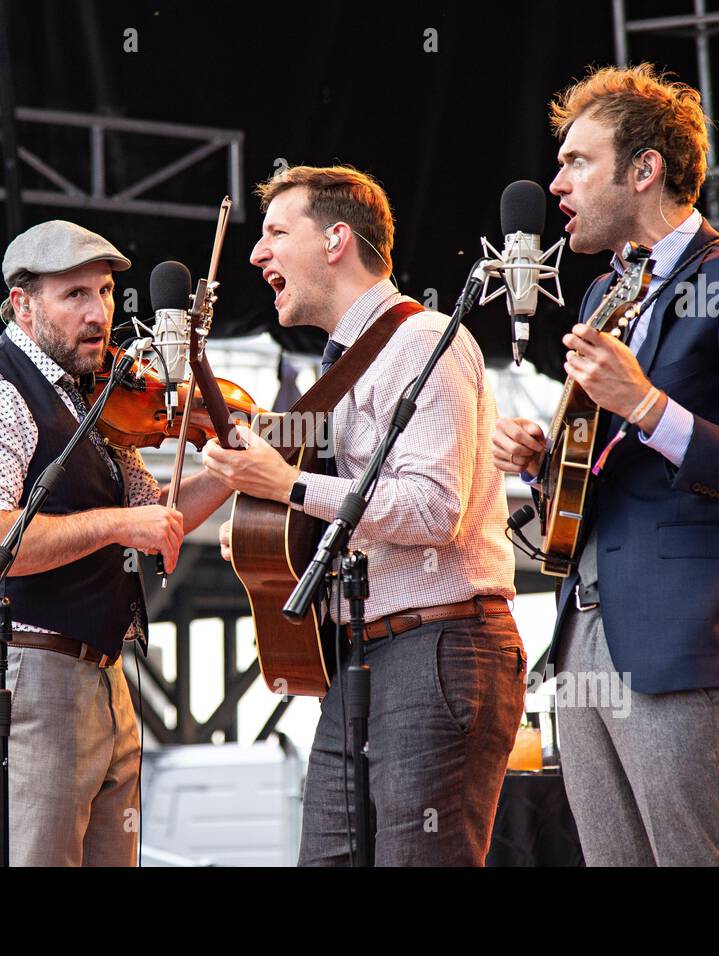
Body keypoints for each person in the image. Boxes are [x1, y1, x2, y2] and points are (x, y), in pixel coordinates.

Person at [491, 64, 719, 866]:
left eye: (578, 162)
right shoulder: (607, 287)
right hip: (583, 631)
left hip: (685, 637)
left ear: (645, 170)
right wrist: (549, 461)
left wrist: (648, 408)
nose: (557, 182)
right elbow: (613, 465)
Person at [205, 165, 525, 866]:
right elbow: (352, 503)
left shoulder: (421, 341)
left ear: (335, 240)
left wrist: (289, 489)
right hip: (363, 652)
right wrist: (282, 530)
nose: (257, 255)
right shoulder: (341, 364)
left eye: (276, 234)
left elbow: (433, 509)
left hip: (440, 644)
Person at [0, 220, 229, 866]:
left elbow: (154, 515)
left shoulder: (94, 391)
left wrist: (232, 470)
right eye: (75, 296)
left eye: (104, 293)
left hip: (102, 678)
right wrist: (122, 527)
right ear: (23, 304)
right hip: (30, 677)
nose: (99, 313)